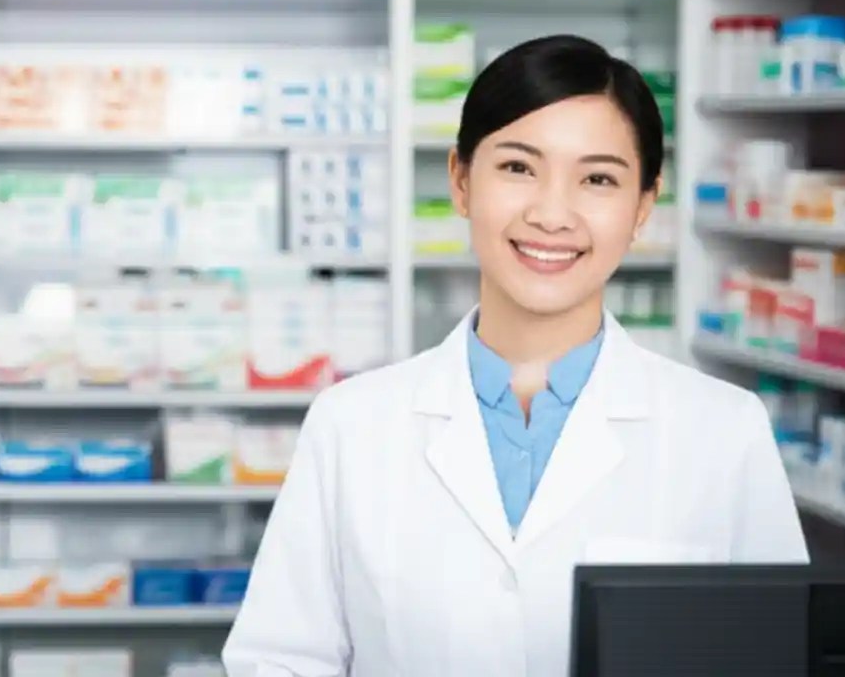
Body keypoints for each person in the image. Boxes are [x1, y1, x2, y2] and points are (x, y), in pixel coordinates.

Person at [221, 35, 809, 677]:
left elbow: (774, 659)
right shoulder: (350, 425)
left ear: (643, 206)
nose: (552, 214)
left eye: (598, 179)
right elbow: (277, 662)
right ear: (461, 181)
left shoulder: (724, 431)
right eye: (519, 168)